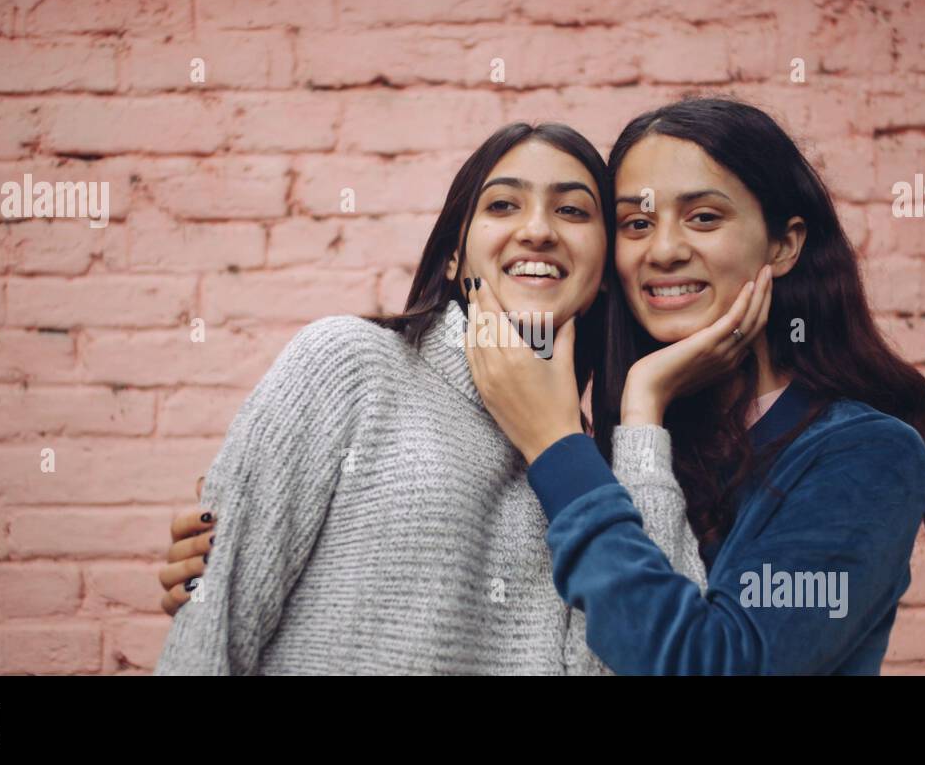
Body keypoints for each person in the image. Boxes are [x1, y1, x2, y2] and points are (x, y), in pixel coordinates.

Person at [153, 122, 705, 675]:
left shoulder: (598, 474)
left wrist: (640, 415)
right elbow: (210, 633)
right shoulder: (348, 364)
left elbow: (658, 659)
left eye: (572, 211)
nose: (537, 230)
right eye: (504, 205)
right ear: (454, 260)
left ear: (604, 274)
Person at [464, 97, 925, 675]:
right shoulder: (637, 440)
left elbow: (712, 664)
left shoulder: (865, 454)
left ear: (784, 244)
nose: (663, 250)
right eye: (637, 224)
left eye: (704, 217)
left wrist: (559, 443)